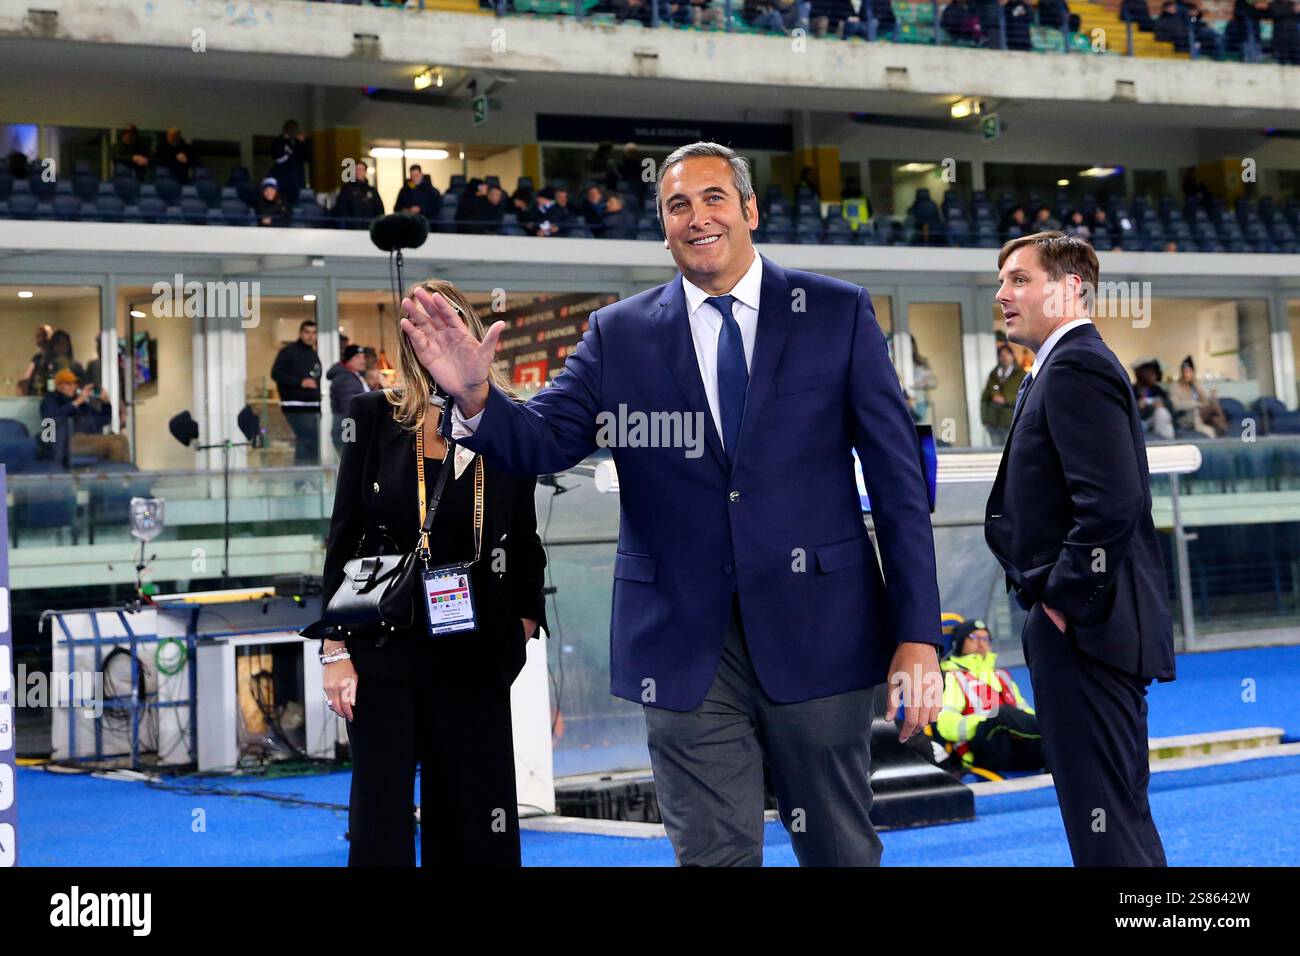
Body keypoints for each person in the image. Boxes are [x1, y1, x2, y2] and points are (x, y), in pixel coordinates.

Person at [400, 140, 943, 867]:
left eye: (714, 198)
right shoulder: (618, 333)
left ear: (749, 208)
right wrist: (475, 395)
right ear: (662, 226)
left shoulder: (835, 314)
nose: (697, 218)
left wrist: (917, 634)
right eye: (677, 206)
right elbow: (544, 440)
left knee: (839, 850)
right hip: (684, 646)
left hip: (822, 629)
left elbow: (899, 485)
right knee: (713, 855)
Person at [313, 279, 548, 866]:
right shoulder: (371, 418)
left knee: (478, 820)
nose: (436, 341)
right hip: (384, 648)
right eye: (420, 331)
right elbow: (343, 540)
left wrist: (518, 632)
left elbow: (523, 541)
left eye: (450, 326)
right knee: (381, 821)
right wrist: (335, 653)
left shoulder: (507, 425)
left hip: (475, 649)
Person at [986, 231, 1175, 866]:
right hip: (1088, 627)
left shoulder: (1077, 366)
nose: (1003, 293)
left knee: (1107, 826)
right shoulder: (1061, 367)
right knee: (1110, 817)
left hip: (1088, 629)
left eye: (1019, 280)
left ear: (1070, 290)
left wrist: (1061, 603)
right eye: (1003, 280)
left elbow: (1113, 503)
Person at [933, 619, 1044, 774]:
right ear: (959, 644)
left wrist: (1016, 727)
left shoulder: (1003, 676)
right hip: (980, 748)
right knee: (1002, 714)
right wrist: (987, 719)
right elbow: (946, 725)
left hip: (1013, 746)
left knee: (1050, 740)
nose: (981, 643)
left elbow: (1025, 714)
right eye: (974, 637)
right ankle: (1052, 732)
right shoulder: (952, 677)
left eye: (985, 638)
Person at [39, 369, 130, 464]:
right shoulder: (50, 399)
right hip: (66, 442)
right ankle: (117, 476)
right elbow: (51, 419)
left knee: (122, 439)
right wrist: (77, 402)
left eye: (74, 384)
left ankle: (126, 473)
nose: (72, 387)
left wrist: (105, 403)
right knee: (114, 444)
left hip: (88, 439)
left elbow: (104, 420)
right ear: (58, 386)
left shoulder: (81, 404)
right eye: (68, 384)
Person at [271, 320, 322, 466]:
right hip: (296, 406)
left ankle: (310, 480)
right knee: (306, 441)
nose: (310, 336)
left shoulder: (313, 354)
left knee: (312, 443)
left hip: (313, 408)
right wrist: (300, 382)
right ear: (300, 333)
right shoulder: (288, 352)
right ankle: (302, 482)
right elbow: (276, 374)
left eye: (313, 333)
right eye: (307, 332)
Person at [327, 344, 372, 452]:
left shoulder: (355, 376)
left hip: (351, 432)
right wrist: (352, 439)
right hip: (350, 433)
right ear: (348, 360)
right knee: (352, 467)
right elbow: (349, 409)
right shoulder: (346, 379)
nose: (362, 361)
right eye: (357, 357)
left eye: (363, 357)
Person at [1169, 355, 1227, 437]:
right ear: (1181, 373)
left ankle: (1222, 432)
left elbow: (1205, 402)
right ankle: (1218, 431)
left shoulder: (1195, 386)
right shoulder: (1175, 387)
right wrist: (1196, 404)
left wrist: (1213, 397)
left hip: (1201, 414)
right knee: (1207, 411)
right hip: (1186, 416)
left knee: (1216, 413)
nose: (1187, 374)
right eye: (1185, 372)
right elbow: (1176, 406)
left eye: (1189, 372)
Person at [980, 343, 1026, 445]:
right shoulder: (993, 375)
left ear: (1013, 356)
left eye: (1007, 354)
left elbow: (1025, 398)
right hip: (993, 423)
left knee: (1009, 452)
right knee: (996, 453)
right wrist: (985, 419)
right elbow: (984, 398)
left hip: (1011, 422)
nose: (1004, 357)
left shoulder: (1022, 375)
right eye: (1001, 355)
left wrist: (1005, 399)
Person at [269, 119, 311, 206]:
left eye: (295, 129)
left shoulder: (299, 143)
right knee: (283, 207)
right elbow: (277, 156)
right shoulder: (278, 141)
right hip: (283, 183)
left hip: (298, 183)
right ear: (285, 129)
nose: (293, 131)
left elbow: (307, 157)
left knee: (297, 208)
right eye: (291, 129)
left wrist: (303, 143)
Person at [334, 161, 385, 228]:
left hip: (369, 228)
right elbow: (341, 209)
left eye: (361, 170)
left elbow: (380, 210)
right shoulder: (346, 189)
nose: (358, 172)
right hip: (351, 229)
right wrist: (348, 224)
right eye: (356, 170)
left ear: (365, 172)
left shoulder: (372, 191)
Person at [1133, 359, 1175, 439]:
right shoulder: (1133, 390)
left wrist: (1163, 404)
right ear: (1144, 375)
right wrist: (1137, 406)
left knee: (1161, 412)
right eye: (1152, 374)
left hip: (1156, 421)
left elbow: (1171, 408)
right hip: (1139, 423)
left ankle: (1168, 443)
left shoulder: (1157, 389)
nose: (1155, 377)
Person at [908, 334, 938, 424]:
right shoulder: (896, 363)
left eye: (910, 345)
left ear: (914, 346)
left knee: (923, 434)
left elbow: (933, 382)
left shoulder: (921, 362)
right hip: (904, 403)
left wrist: (923, 384)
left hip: (920, 403)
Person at [18, 324, 54, 396]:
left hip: (47, 394)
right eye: (37, 336)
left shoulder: (52, 357)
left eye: (42, 335)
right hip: (34, 392)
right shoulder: (37, 357)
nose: (38, 339)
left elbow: (52, 376)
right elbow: (27, 375)